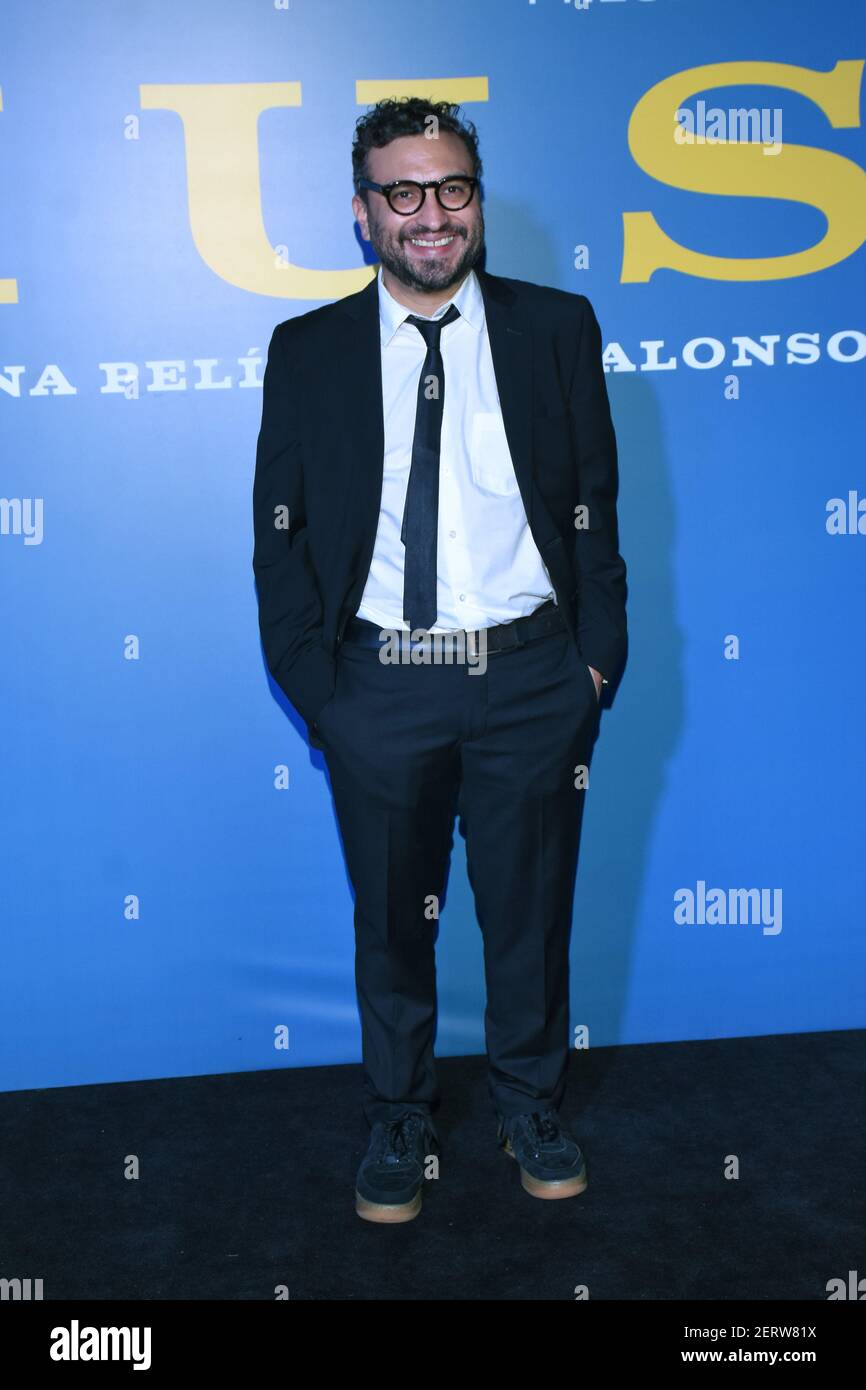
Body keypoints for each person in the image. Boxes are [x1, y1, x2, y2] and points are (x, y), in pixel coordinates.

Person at [253, 97, 627, 1223]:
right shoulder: (307, 350)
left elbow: (593, 516)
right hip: (379, 685)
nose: (431, 214)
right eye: (402, 193)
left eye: (451, 188)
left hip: (529, 678)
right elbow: (280, 537)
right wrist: (324, 698)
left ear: (476, 198)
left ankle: (529, 1102)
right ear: (362, 214)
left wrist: (592, 665)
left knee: (528, 913)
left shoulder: (554, 327)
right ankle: (400, 1115)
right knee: (391, 919)